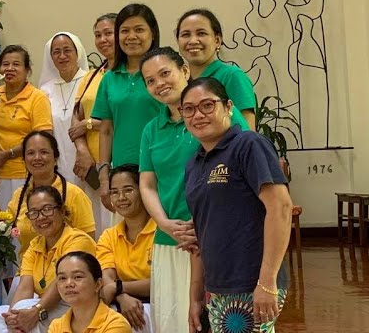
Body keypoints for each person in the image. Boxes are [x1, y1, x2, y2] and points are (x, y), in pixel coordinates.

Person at [135, 48, 248, 333]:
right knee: (172, 320)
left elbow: (242, 173)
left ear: (184, 71)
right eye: (150, 80)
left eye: (165, 73)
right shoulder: (151, 129)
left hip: (213, 239)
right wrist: (165, 224)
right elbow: (147, 184)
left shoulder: (219, 117)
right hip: (170, 238)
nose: (159, 83)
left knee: (216, 322)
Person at [183, 78, 292, 333]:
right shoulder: (194, 163)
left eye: (207, 105)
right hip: (217, 284)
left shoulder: (248, 145)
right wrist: (196, 296)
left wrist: (266, 282)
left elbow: (281, 208)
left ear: (229, 106)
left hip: (250, 281)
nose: (197, 115)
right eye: (188, 109)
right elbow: (200, 232)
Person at [0, 187, 96, 333]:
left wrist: (36, 311)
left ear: (62, 211)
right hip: (44, 306)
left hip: (75, 306)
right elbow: (24, 287)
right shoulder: (35, 245)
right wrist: (14, 316)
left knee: (31, 325)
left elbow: (61, 284)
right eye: (34, 212)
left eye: (47, 209)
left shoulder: (77, 240)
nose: (40, 217)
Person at [94, 4, 163, 207]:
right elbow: (106, 130)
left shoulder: (163, 73)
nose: (131, 36)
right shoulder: (109, 79)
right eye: (125, 31)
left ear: (153, 34)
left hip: (160, 168)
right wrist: (104, 175)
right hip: (123, 175)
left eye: (139, 29)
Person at [5, 131, 96, 254]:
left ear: (55, 158)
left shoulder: (74, 194)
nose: (37, 158)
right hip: (28, 269)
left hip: (66, 270)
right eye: (31, 153)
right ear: (24, 160)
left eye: (44, 152)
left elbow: (87, 245)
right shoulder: (19, 195)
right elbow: (1, 229)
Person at [0, 45, 53, 209]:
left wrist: (7, 154)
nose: (10, 68)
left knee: (21, 227)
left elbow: (44, 138)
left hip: (23, 174)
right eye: (5, 64)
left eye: (16, 64)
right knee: (0, 226)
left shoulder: (37, 98)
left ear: (27, 70)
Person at [70, 15, 117, 229]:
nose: (103, 39)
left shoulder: (132, 74)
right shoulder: (91, 76)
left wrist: (89, 123)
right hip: (90, 166)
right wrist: (83, 152)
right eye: (98, 35)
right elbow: (75, 115)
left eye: (109, 33)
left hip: (119, 161)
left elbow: (127, 116)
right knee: (94, 224)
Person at [97, 165, 156, 333]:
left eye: (128, 190)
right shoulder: (108, 236)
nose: (121, 197)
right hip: (121, 301)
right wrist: (122, 296)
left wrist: (118, 288)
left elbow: (161, 283)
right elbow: (106, 278)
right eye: (114, 192)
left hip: (158, 303)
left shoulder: (161, 232)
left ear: (143, 190)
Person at [175, 9, 257, 128]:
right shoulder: (178, 81)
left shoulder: (232, 76)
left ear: (217, 40)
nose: (192, 41)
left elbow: (247, 133)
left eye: (201, 33)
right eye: (185, 35)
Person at [39, 32, 89, 186]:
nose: (62, 56)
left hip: (89, 161)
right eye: (56, 52)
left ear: (77, 52)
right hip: (59, 164)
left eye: (67, 50)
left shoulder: (91, 82)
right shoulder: (45, 90)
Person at [49, 252, 133, 333]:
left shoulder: (116, 325)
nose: (68, 284)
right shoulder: (56, 326)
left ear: (98, 284)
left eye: (77, 277)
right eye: (62, 278)